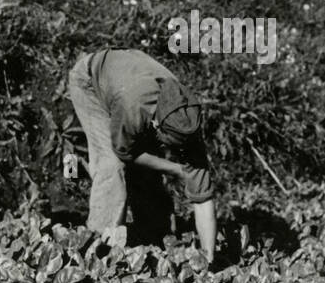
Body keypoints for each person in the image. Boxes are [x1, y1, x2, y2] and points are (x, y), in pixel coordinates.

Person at [68, 49, 217, 262]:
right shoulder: (133, 107)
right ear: (156, 125)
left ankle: (152, 237)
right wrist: (175, 169)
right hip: (91, 81)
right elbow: (126, 153)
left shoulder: (188, 120)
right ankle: (95, 250)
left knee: (148, 173)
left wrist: (208, 258)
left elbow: (203, 198)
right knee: (112, 165)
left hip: (131, 77)